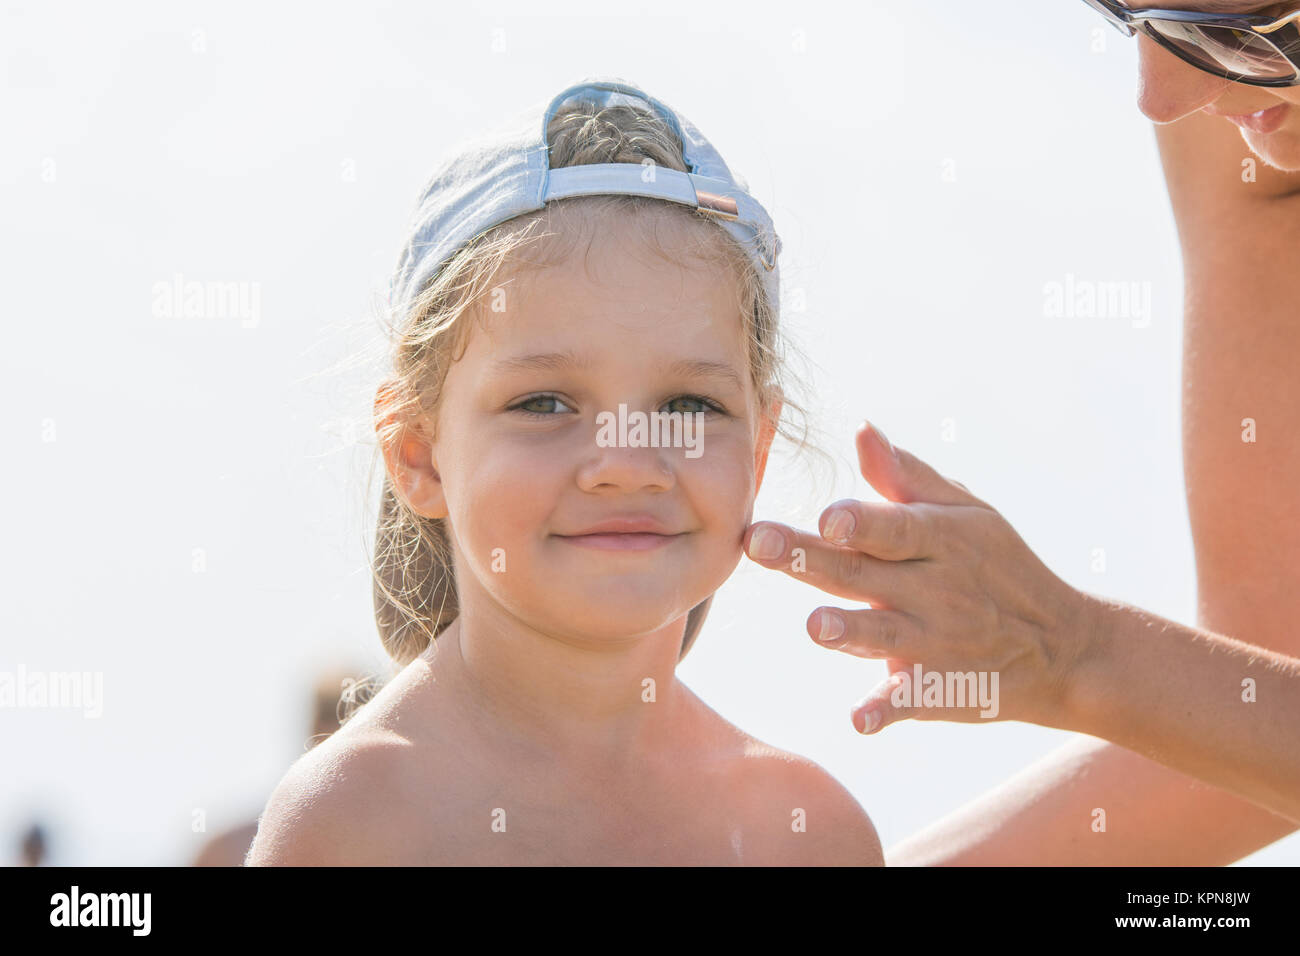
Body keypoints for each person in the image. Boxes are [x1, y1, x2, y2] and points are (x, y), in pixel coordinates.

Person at [245, 78, 885, 866]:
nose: (624, 464)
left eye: (688, 406)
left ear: (756, 452)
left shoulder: (807, 832)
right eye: (545, 403)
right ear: (418, 451)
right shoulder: (355, 821)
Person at [744, 1, 1300, 864]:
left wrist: (1076, 654)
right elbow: (1260, 692)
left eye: (1242, 28)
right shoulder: (1246, 110)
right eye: (1124, 10)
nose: (1160, 93)